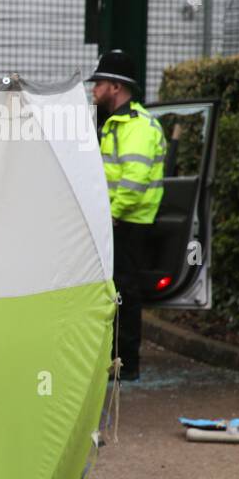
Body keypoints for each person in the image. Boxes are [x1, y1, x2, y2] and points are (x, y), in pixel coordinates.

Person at [87, 49, 166, 382]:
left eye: (100, 82)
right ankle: (116, 358)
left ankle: (126, 364)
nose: (94, 89)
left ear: (116, 87)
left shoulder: (137, 127)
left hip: (129, 223)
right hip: (117, 222)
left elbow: (133, 183)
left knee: (126, 294)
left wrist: (113, 214)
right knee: (117, 292)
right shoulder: (116, 126)